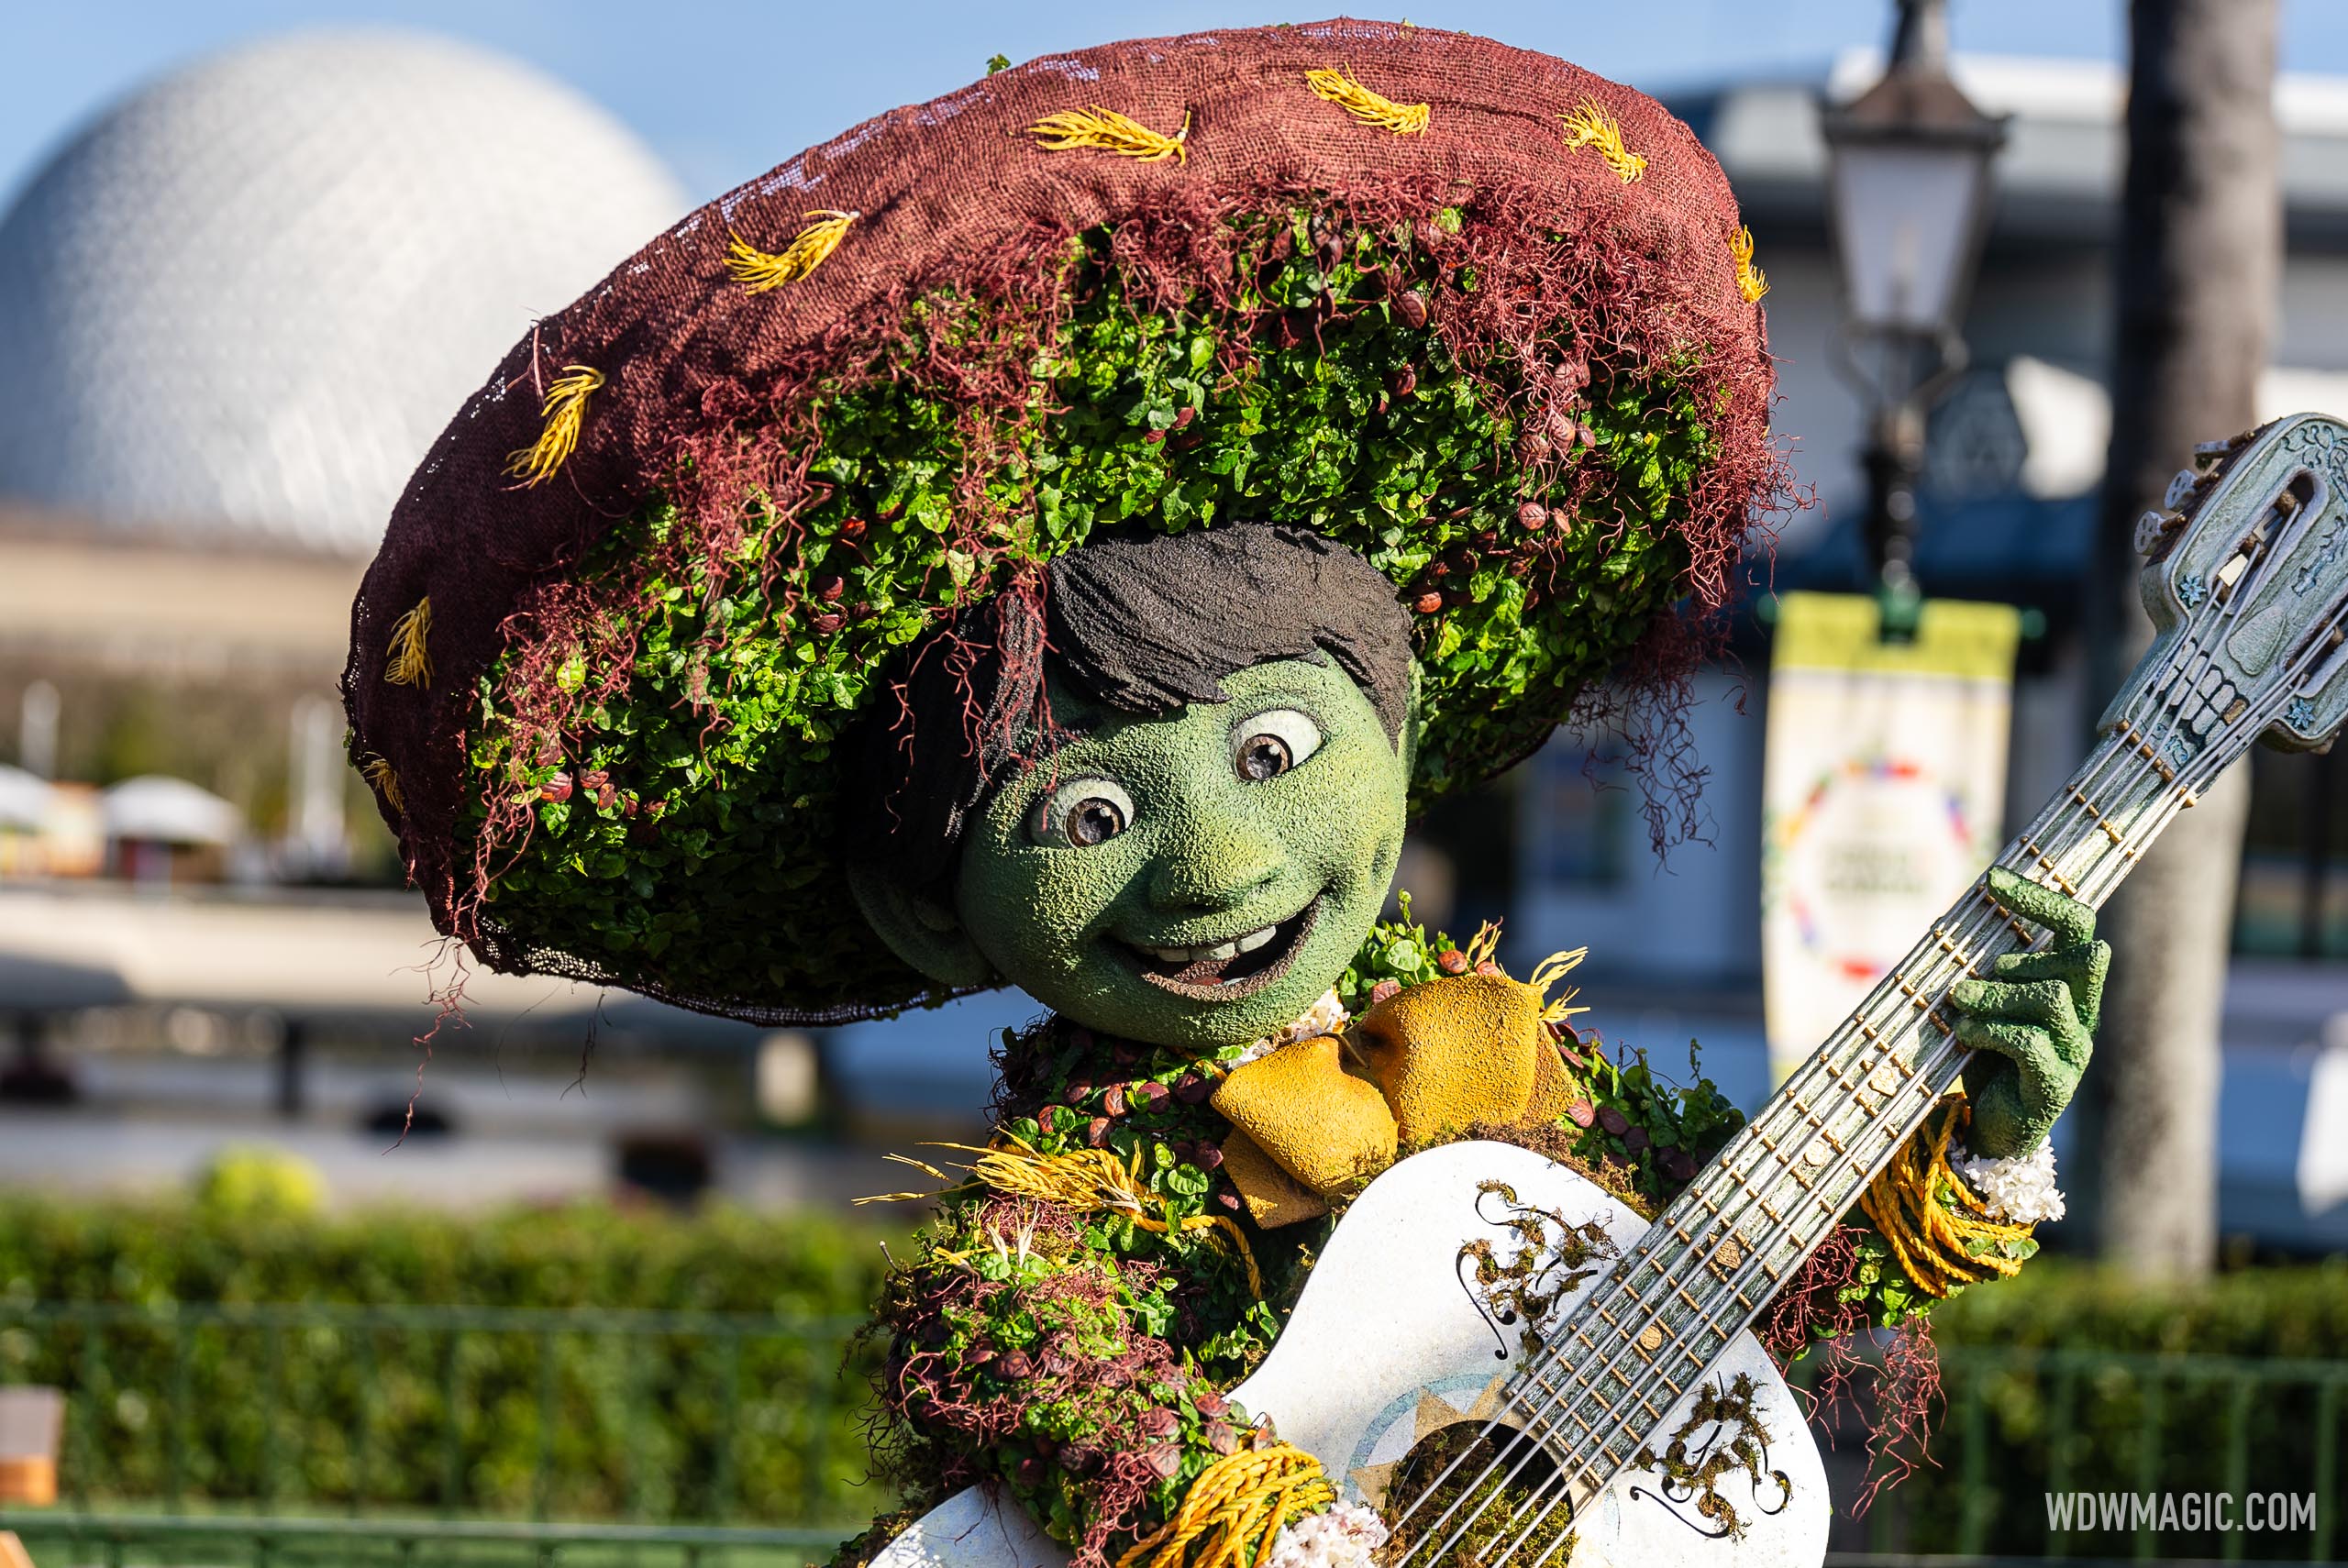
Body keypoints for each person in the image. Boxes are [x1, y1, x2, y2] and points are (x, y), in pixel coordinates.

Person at [343, 22, 2104, 1568]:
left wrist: (1973, 1134)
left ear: (1393, 712)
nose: (1224, 858)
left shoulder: (1499, 1066)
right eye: (1088, 815)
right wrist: (1275, 1524)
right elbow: (1042, 1360)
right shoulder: (1076, 1207)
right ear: (923, 892)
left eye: (1272, 754)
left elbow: (1736, 1274)